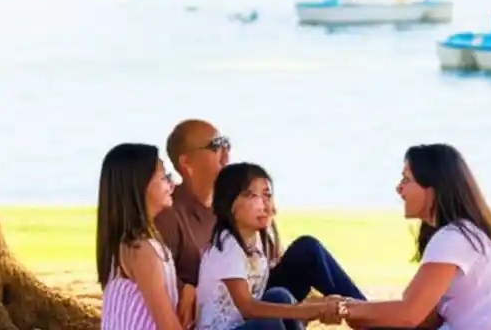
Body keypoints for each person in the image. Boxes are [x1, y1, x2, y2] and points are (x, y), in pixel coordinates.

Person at [154, 120, 363, 328]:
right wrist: (185, 287)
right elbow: (146, 273)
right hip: (223, 316)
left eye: (226, 144)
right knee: (268, 321)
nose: (226, 154)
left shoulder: (245, 208)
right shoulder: (169, 215)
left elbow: (269, 262)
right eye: (216, 146)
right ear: (186, 162)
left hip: (255, 294)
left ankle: (371, 318)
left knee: (305, 252)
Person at [335, 144, 491, 330]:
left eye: (407, 179)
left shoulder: (454, 237)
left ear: (433, 189)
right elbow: (424, 318)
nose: (399, 188)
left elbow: (409, 314)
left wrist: (342, 308)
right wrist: (352, 310)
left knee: (310, 252)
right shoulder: (471, 234)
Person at [195, 163, 343, 330]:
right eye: (251, 196)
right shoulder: (227, 246)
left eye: (267, 195)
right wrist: (304, 311)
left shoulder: (256, 239)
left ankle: (361, 313)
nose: (264, 205)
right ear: (228, 203)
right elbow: (248, 308)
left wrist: (318, 306)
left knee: (279, 295)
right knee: (268, 322)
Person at [97, 143, 181, 330]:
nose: (173, 184)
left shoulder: (140, 243)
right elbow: (167, 325)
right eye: (164, 177)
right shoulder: (140, 249)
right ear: (140, 184)